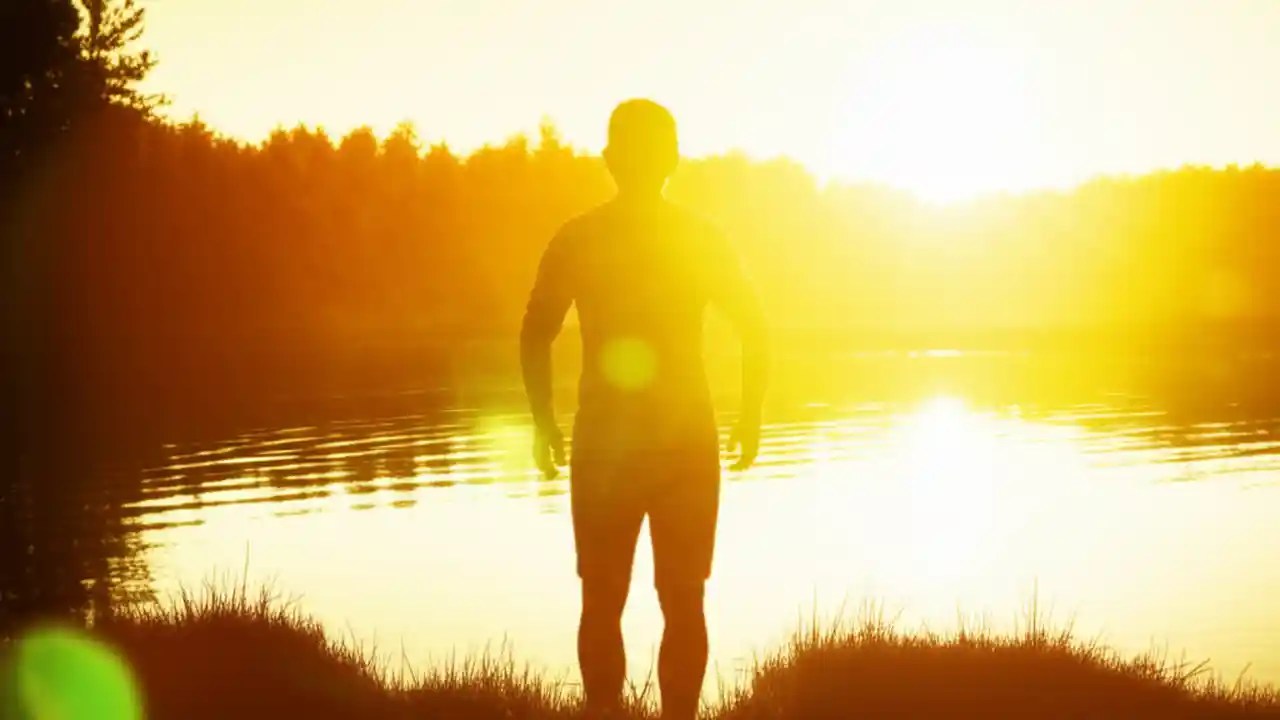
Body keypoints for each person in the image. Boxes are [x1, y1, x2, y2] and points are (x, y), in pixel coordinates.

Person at [520, 99, 768, 720]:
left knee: (601, 601)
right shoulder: (700, 238)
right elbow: (754, 326)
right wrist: (751, 415)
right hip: (685, 440)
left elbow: (533, 333)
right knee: (684, 601)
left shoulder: (578, 237)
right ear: (673, 162)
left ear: (609, 161)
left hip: (605, 443)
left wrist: (542, 421)